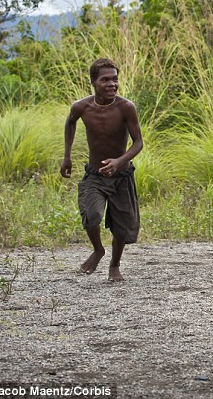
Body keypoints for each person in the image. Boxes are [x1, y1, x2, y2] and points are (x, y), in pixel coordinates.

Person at [60, 58, 144, 282]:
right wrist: (67, 156)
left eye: (115, 79)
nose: (112, 84)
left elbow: (138, 143)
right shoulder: (82, 107)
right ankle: (98, 250)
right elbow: (70, 122)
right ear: (93, 82)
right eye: (105, 80)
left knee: (121, 225)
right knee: (92, 214)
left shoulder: (126, 107)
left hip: (122, 176)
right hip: (95, 175)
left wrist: (119, 161)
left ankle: (114, 266)